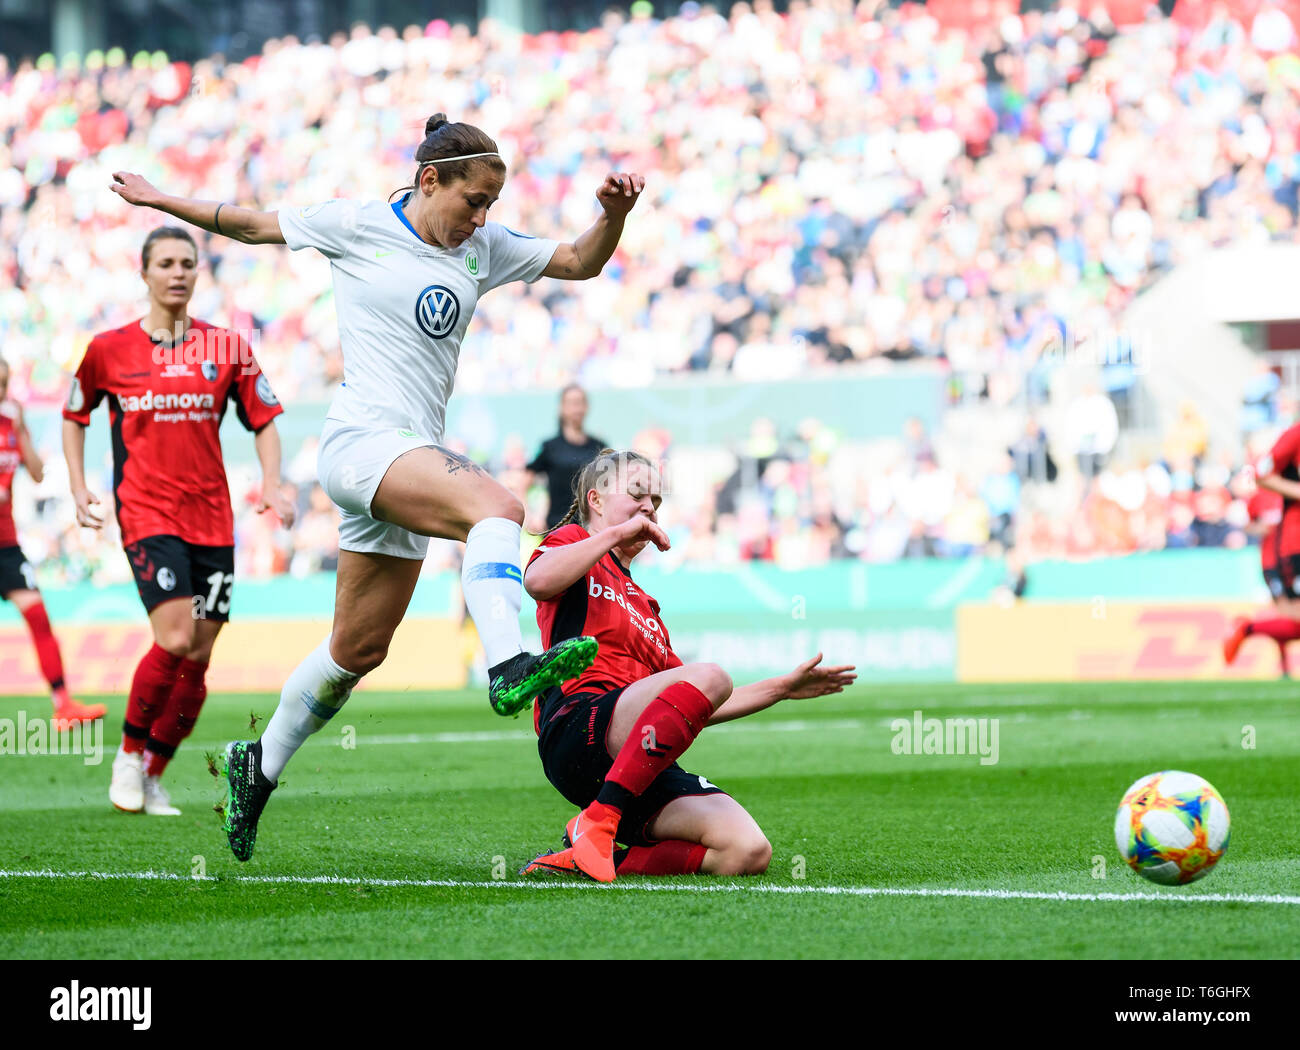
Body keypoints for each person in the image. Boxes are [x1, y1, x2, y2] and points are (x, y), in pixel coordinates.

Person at [107, 114, 645, 861]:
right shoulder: (357, 223)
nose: (483, 218)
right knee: (499, 508)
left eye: (492, 204)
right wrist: (164, 200)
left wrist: (612, 215)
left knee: (358, 650)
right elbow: (254, 225)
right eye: (474, 200)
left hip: (409, 458)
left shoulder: (482, 248)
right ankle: (507, 663)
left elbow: (583, 261)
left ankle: (255, 766)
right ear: (431, 180)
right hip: (361, 442)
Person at [520, 449, 856, 881]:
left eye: (656, 502)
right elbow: (537, 582)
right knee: (710, 674)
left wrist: (783, 688)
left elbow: (698, 703)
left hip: (631, 764)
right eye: (638, 493)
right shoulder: (573, 543)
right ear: (596, 500)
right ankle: (599, 821)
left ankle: (581, 855)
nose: (649, 507)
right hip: (577, 730)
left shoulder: (648, 608)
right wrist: (611, 535)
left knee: (746, 851)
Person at [62, 226, 294, 816]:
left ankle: (152, 773)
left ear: (198, 272)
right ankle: (127, 754)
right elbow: (74, 412)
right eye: (165, 262)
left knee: (197, 659)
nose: (177, 272)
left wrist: (271, 481)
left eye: (187, 262)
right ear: (145, 274)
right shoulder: (108, 349)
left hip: (212, 520)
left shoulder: (227, 348)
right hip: (146, 512)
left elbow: (263, 420)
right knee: (174, 637)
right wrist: (79, 484)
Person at [0, 359, 105, 726]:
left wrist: (21, 428)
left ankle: (63, 705)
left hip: (6, 543)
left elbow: (38, 472)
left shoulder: (11, 420)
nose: (0, 392)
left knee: (39, 617)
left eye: (3, 384)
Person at [1224, 449, 1300, 674]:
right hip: (1276, 561)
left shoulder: (1287, 495)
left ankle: (1282, 665)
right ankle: (1249, 628)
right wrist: (1263, 529)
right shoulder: (1263, 497)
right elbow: (1249, 524)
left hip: (1287, 557)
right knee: (1291, 617)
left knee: (1289, 618)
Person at [527, 384, 606, 530]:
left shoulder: (600, 447)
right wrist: (531, 515)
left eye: (580, 402)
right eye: (571, 403)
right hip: (557, 529)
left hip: (591, 530)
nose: (577, 408)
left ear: (587, 407)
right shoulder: (549, 447)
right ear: (561, 408)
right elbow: (523, 479)